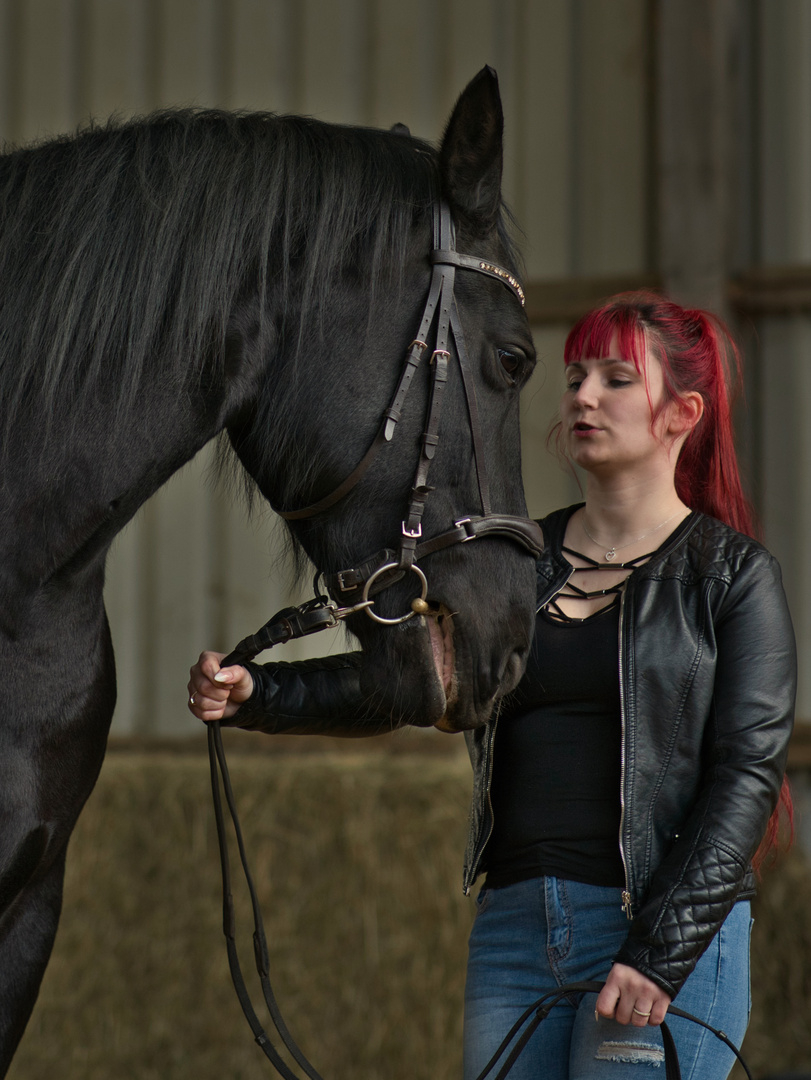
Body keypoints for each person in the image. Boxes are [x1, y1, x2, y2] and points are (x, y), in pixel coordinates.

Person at [188, 292, 796, 1080]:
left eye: (615, 378)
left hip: (655, 934)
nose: (581, 395)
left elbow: (744, 779)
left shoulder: (730, 576)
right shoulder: (512, 562)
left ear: (682, 412)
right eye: (575, 376)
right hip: (513, 928)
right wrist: (258, 696)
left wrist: (657, 953)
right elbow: (418, 683)